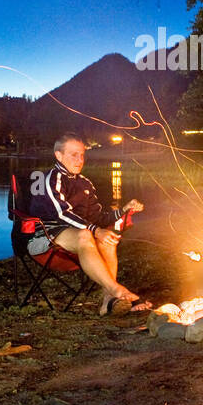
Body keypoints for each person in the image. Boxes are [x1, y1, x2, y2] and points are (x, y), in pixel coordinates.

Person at [30, 132, 149, 315]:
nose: (80, 160)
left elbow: (98, 218)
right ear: (58, 155)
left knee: (109, 238)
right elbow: (62, 214)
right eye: (73, 154)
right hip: (46, 236)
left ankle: (108, 302)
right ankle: (117, 290)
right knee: (87, 234)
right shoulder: (50, 179)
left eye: (82, 155)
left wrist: (124, 209)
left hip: (78, 236)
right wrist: (96, 230)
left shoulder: (85, 184)